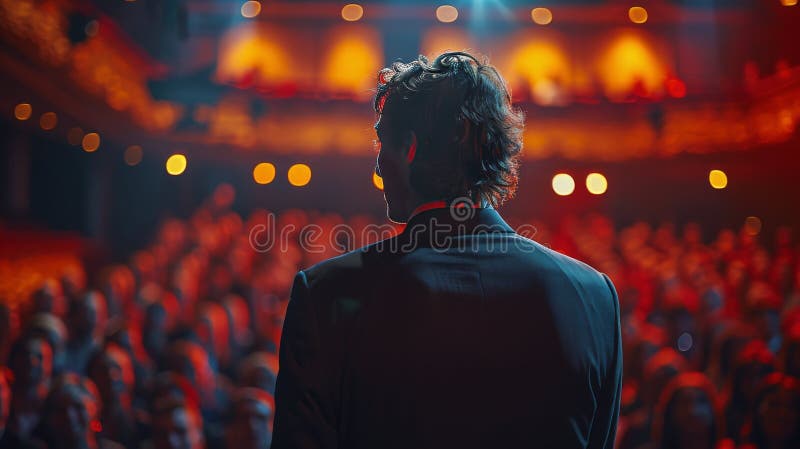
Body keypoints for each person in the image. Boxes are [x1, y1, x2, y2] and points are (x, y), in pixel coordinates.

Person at [271, 51, 622, 449]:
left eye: (382, 142)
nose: (378, 168)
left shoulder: (327, 294)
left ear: (410, 149)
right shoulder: (593, 295)